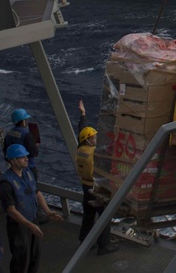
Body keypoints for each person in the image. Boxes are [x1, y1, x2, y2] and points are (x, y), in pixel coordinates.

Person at [0, 144, 62, 273]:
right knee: (21, 258)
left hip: (33, 220)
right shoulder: (6, 183)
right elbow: (11, 210)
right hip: (18, 227)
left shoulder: (28, 173)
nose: (27, 159)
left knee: (35, 256)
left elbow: (36, 193)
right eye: (22, 157)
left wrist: (48, 212)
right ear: (13, 161)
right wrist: (30, 226)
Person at [75, 100, 118, 255]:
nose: (95, 139)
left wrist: (83, 115)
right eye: (93, 137)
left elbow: (81, 131)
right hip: (96, 188)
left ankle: (84, 242)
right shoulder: (94, 153)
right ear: (88, 140)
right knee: (104, 216)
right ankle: (104, 245)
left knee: (88, 214)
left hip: (85, 187)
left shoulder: (81, 148)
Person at [3, 108, 39, 180]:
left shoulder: (9, 133)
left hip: (15, 167)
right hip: (28, 167)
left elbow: (5, 150)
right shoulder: (26, 134)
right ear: (23, 121)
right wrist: (36, 145)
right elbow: (33, 152)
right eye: (25, 119)